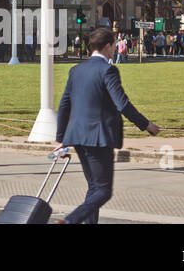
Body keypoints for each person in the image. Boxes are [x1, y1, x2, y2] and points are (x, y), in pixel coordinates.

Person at [54, 26, 160, 224]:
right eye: (113, 46)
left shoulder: (76, 70)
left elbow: (64, 104)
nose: (113, 50)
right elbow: (122, 104)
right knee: (103, 191)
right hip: (99, 136)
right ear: (108, 46)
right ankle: (70, 221)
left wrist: (61, 138)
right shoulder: (108, 70)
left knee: (94, 187)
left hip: (77, 136)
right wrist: (146, 125)